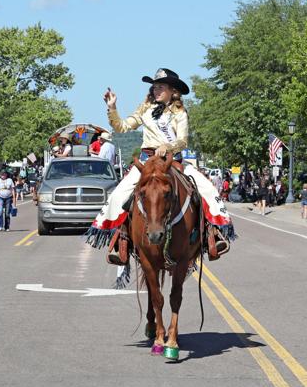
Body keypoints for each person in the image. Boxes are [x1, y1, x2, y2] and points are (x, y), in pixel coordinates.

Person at [88, 68, 234, 263]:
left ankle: (212, 234)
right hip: (147, 160)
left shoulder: (180, 112)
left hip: (173, 160)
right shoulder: (145, 109)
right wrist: (112, 108)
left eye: (161, 87)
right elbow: (122, 127)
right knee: (119, 194)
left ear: (172, 91)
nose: (156, 90)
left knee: (206, 189)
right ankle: (120, 240)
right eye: (154, 87)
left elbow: (182, 141)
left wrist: (167, 146)